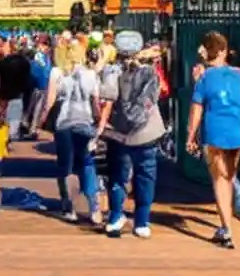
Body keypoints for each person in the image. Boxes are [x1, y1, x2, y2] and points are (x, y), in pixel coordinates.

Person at [187, 31, 240, 249]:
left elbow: (196, 111)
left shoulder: (204, 79)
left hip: (214, 134)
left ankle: (226, 228)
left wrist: (191, 136)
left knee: (220, 181)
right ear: (224, 51)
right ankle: (237, 205)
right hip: (238, 135)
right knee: (229, 175)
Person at [96, 45, 167, 239]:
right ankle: (142, 221)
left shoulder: (113, 72)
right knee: (146, 176)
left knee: (118, 176)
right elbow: (158, 95)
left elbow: (107, 101)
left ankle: (116, 217)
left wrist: (100, 128)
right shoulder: (151, 72)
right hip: (147, 131)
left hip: (120, 133)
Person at [44, 44, 103, 225]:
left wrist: (44, 118)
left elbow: (50, 99)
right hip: (85, 122)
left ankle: (68, 206)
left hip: (63, 123)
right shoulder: (91, 74)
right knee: (87, 163)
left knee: (65, 165)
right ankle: (94, 208)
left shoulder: (57, 72)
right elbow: (96, 100)